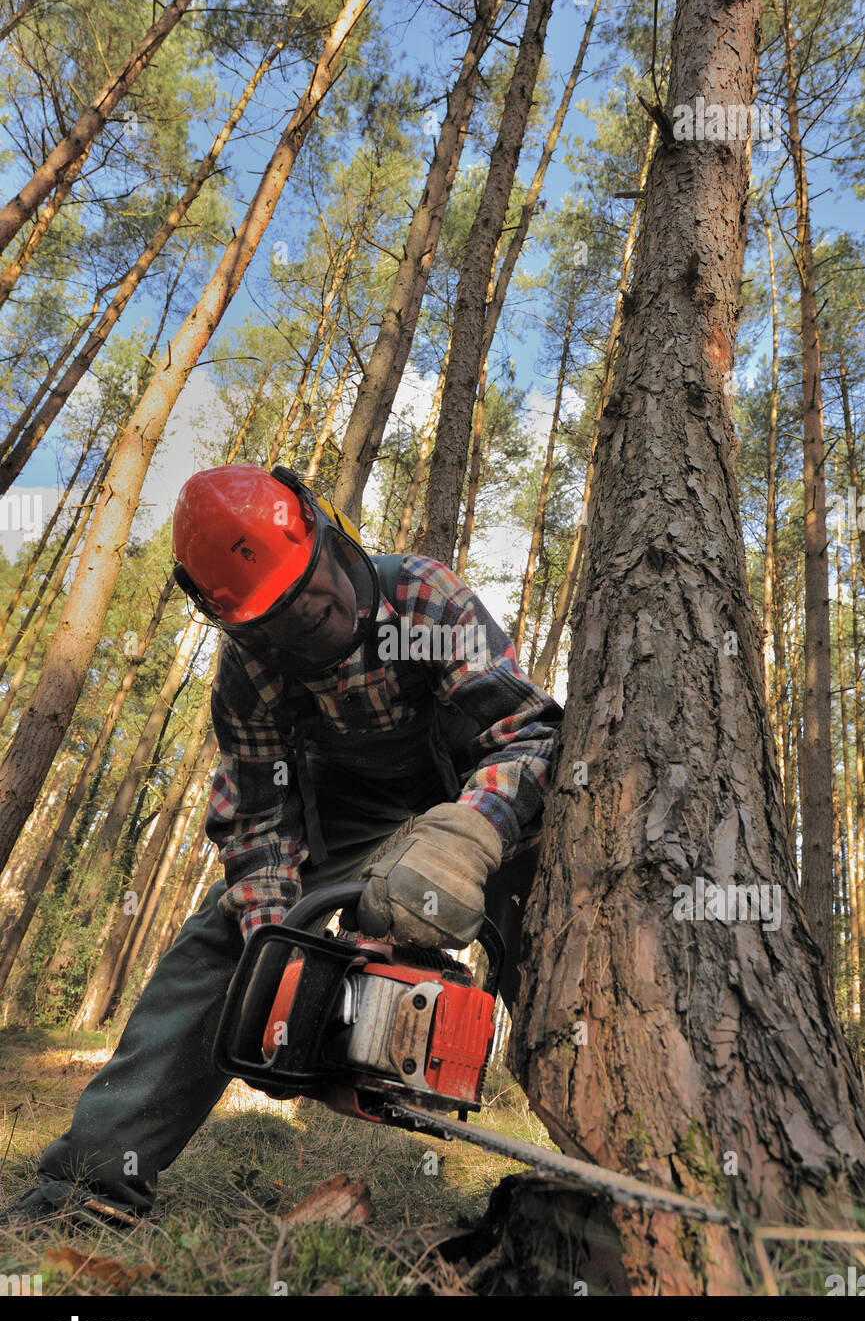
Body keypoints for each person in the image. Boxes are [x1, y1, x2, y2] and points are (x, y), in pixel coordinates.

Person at [1, 465, 561, 1227]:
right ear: (233, 622)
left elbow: (523, 733)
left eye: (310, 588)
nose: (309, 616)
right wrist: (278, 959)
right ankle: (93, 1186)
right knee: (220, 947)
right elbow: (257, 821)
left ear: (327, 531)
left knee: (557, 937)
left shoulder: (422, 596)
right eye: (277, 617)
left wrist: (470, 833)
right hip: (342, 817)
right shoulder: (248, 675)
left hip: (471, 795)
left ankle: (612, 1163)